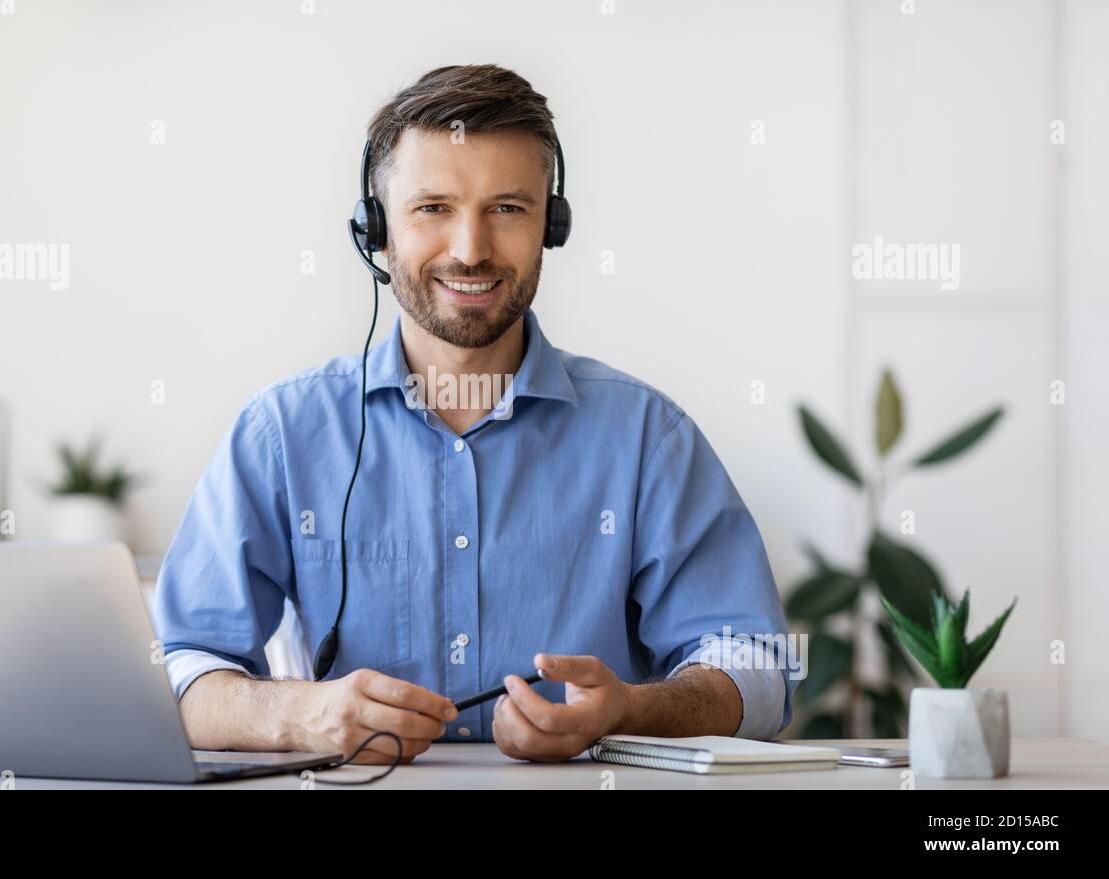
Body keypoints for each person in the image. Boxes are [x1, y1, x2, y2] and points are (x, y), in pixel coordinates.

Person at [152, 64, 794, 765]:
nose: (470, 249)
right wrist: (300, 712)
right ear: (377, 231)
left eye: (508, 208)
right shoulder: (280, 435)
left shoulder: (647, 438)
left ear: (552, 225)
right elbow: (179, 670)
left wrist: (630, 709)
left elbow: (757, 667)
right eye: (432, 208)